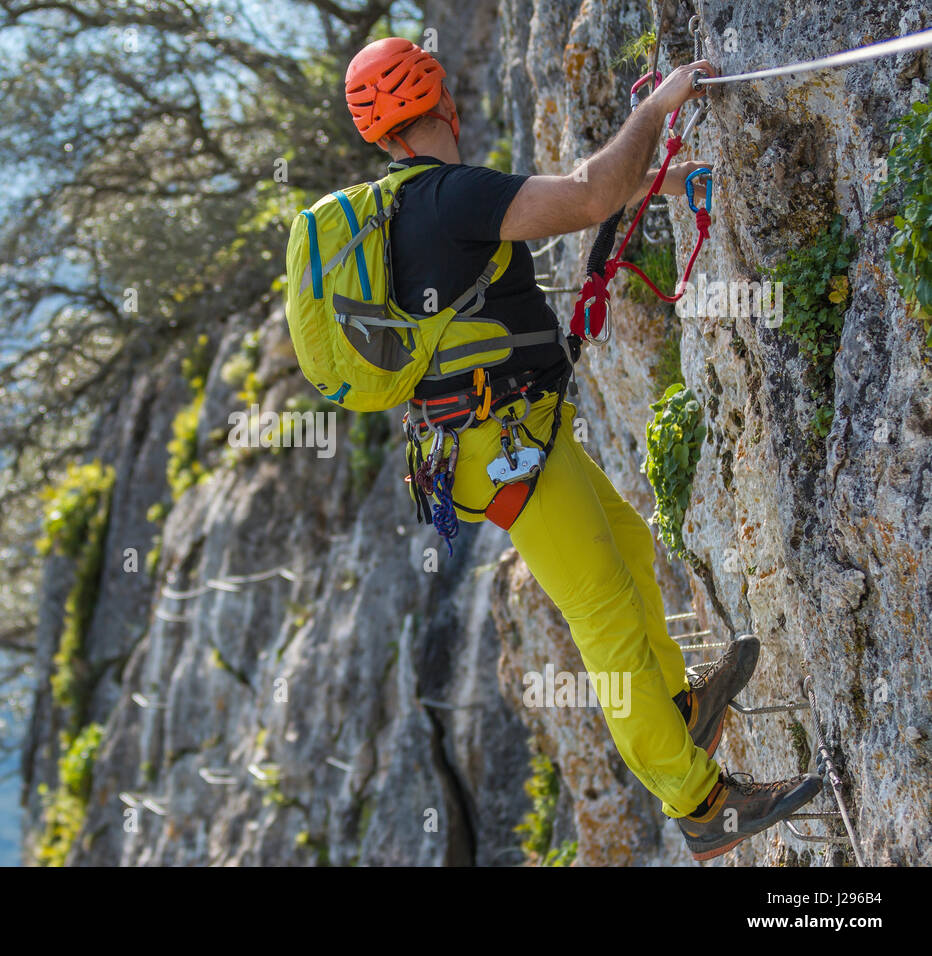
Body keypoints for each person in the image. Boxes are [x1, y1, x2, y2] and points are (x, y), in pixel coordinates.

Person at [343, 36, 821, 861]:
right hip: (507, 447)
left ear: (378, 135)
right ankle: (700, 802)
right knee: (604, 621)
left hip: (504, 438)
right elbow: (587, 195)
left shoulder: (403, 209)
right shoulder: (451, 196)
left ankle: (679, 711)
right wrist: (658, 106)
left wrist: (665, 181)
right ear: (443, 102)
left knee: (630, 551)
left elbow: (574, 201)